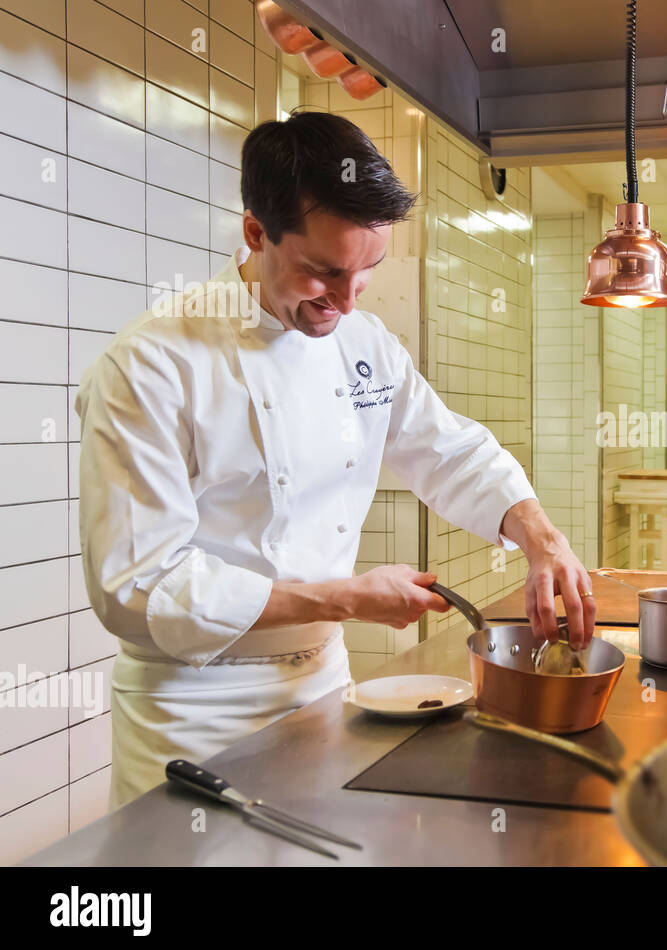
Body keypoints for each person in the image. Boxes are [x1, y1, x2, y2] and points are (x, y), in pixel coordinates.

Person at [76, 110, 595, 808]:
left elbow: (446, 450)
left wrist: (541, 537)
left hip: (322, 689)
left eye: (368, 271)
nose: (346, 302)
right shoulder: (150, 365)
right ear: (256, 232)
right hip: (193, 712)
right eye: (323, 272)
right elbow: (135, 586)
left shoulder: (364, 344)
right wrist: (343, 597)